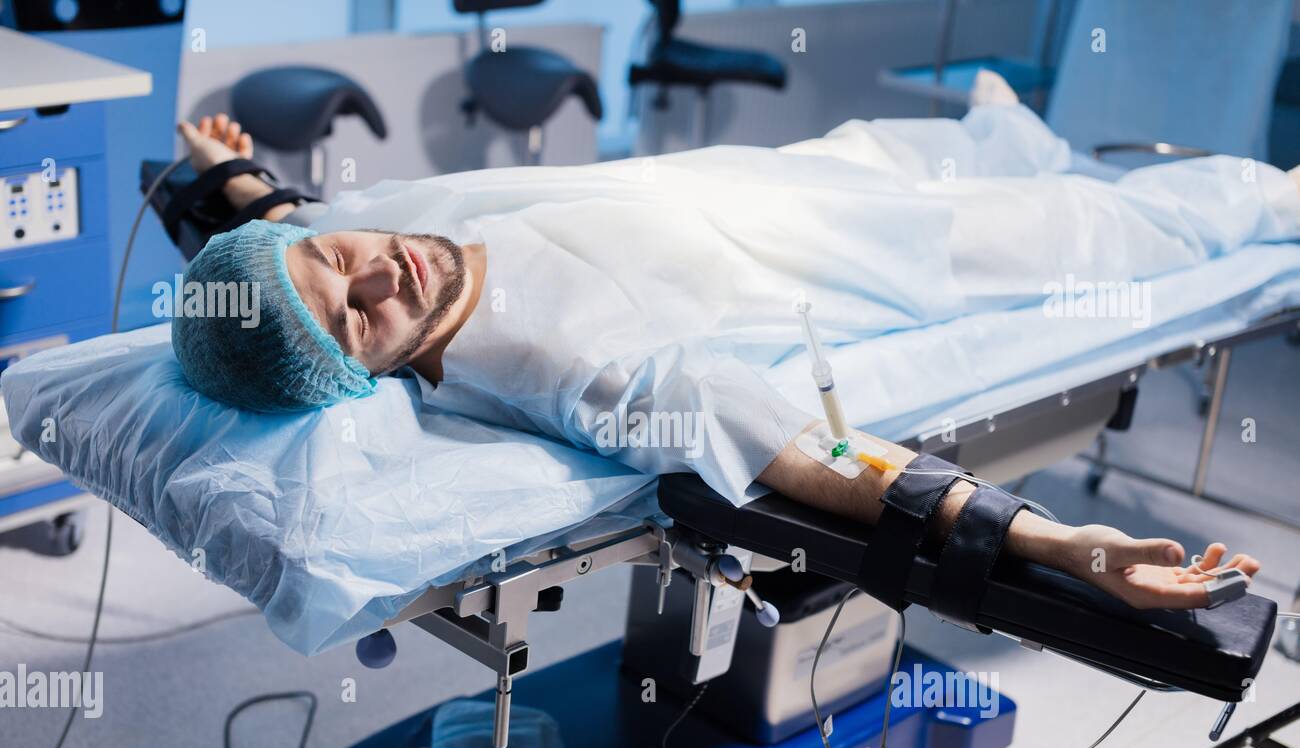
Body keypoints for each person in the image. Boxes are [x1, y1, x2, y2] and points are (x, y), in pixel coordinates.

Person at [172, 84, 1291, 611]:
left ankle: (1005, 139)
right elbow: (811, 454)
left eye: (341, 259)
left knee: (929, 141)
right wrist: (1053, 542)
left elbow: (293, 225)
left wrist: (228, 175)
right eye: (356, 318)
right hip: (900, 253)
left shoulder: (347, 240)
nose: (384, 275)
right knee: (1121, 229)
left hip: (795, 177)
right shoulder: (566, 365)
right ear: (358, 375)